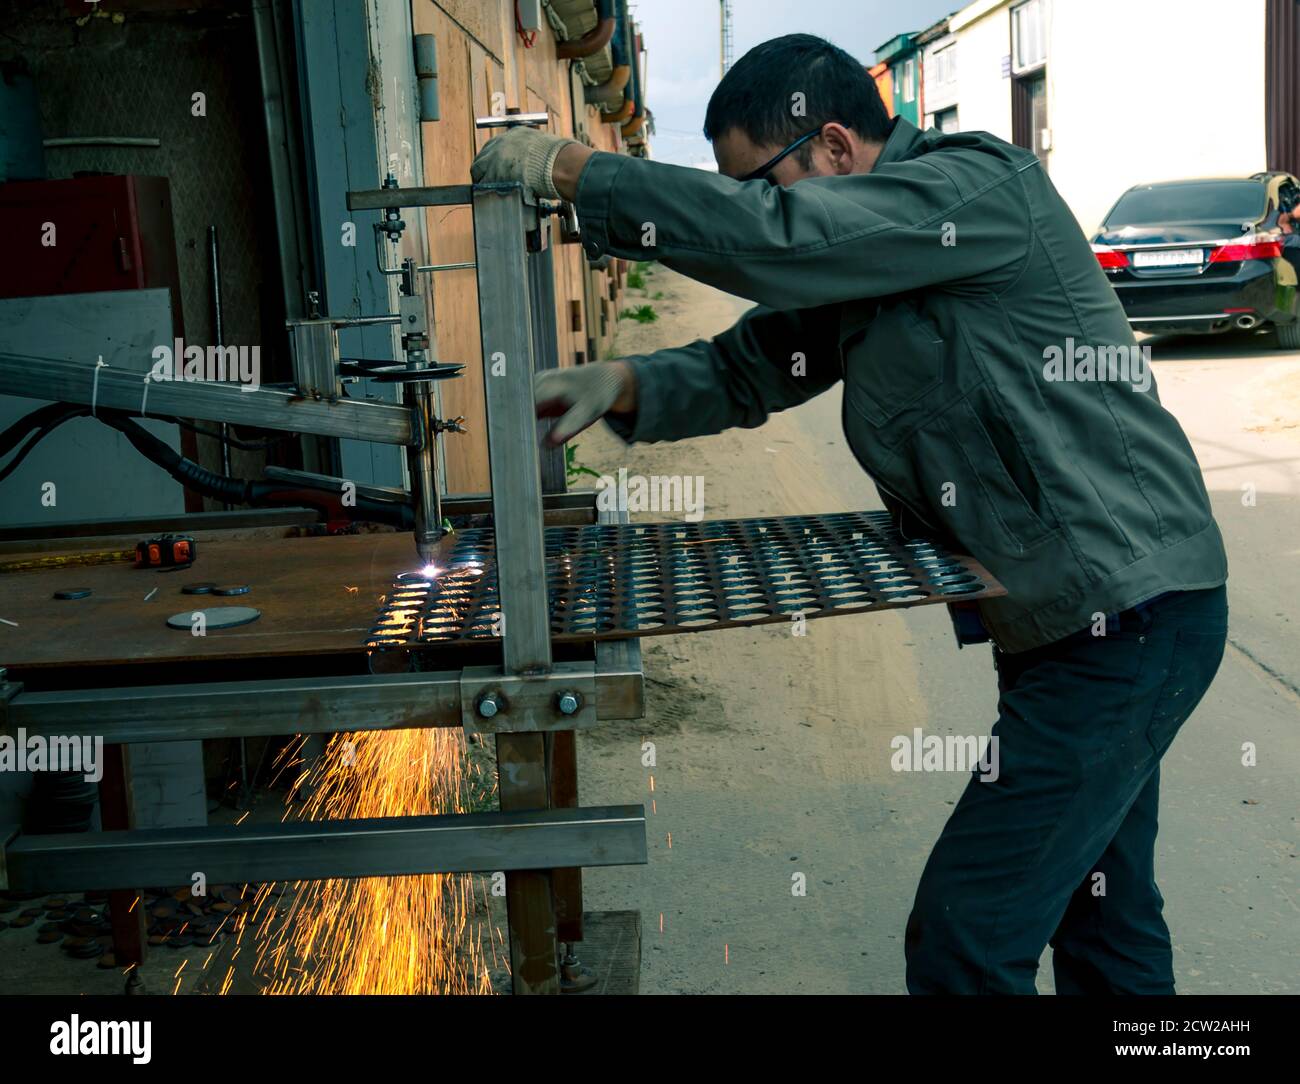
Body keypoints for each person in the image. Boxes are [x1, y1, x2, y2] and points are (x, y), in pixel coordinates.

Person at [472, 34, 1229, 995]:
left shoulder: (971, 192)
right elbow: (760, 359)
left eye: (767, 184)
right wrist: (623, 381)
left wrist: (579, 170)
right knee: (1104, 914)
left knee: (966, 939)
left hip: (1129, 616)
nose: (764, 207)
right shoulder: (881, 249)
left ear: (832, 145)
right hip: (1076, 619)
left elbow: (782, 240)